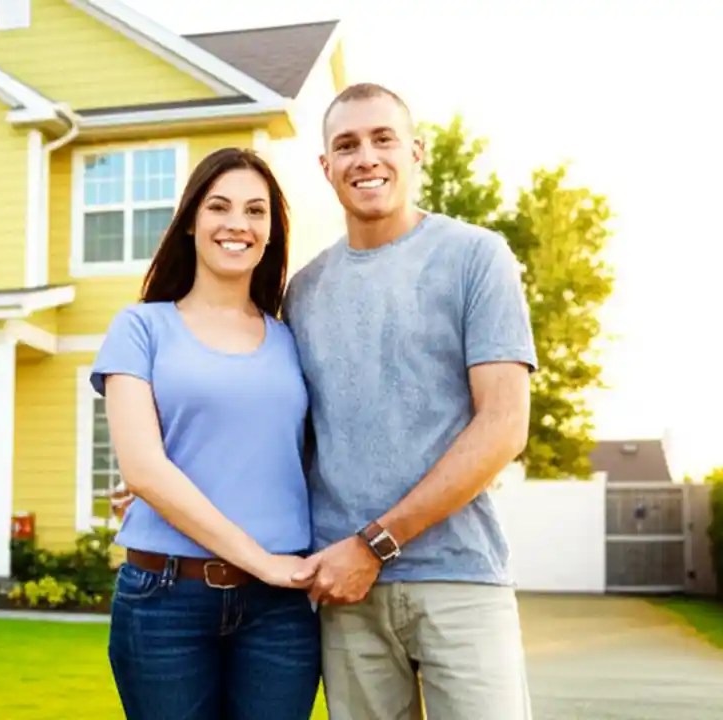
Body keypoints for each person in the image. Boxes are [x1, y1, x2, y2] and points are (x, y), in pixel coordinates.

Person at [282, 82, 539, 719]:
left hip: (460, 577)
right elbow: (291, 441)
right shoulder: (303, 292)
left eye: (382, 138)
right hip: (346, 601)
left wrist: (375, 545)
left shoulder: (476, 257)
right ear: (326, 168)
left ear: (416, 152)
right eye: (346, 145)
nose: (365, 157)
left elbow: (505, 425)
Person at [90, 147, 321, 720]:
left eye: (256, 211)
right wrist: (262, 561)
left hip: (279, 613)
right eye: (219, 206)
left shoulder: (296, 341)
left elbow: (314, 459)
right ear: (192, 220)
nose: (237, 224)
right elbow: (144, 469)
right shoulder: (141, 327)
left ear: (271, 231)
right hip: (164, 601)